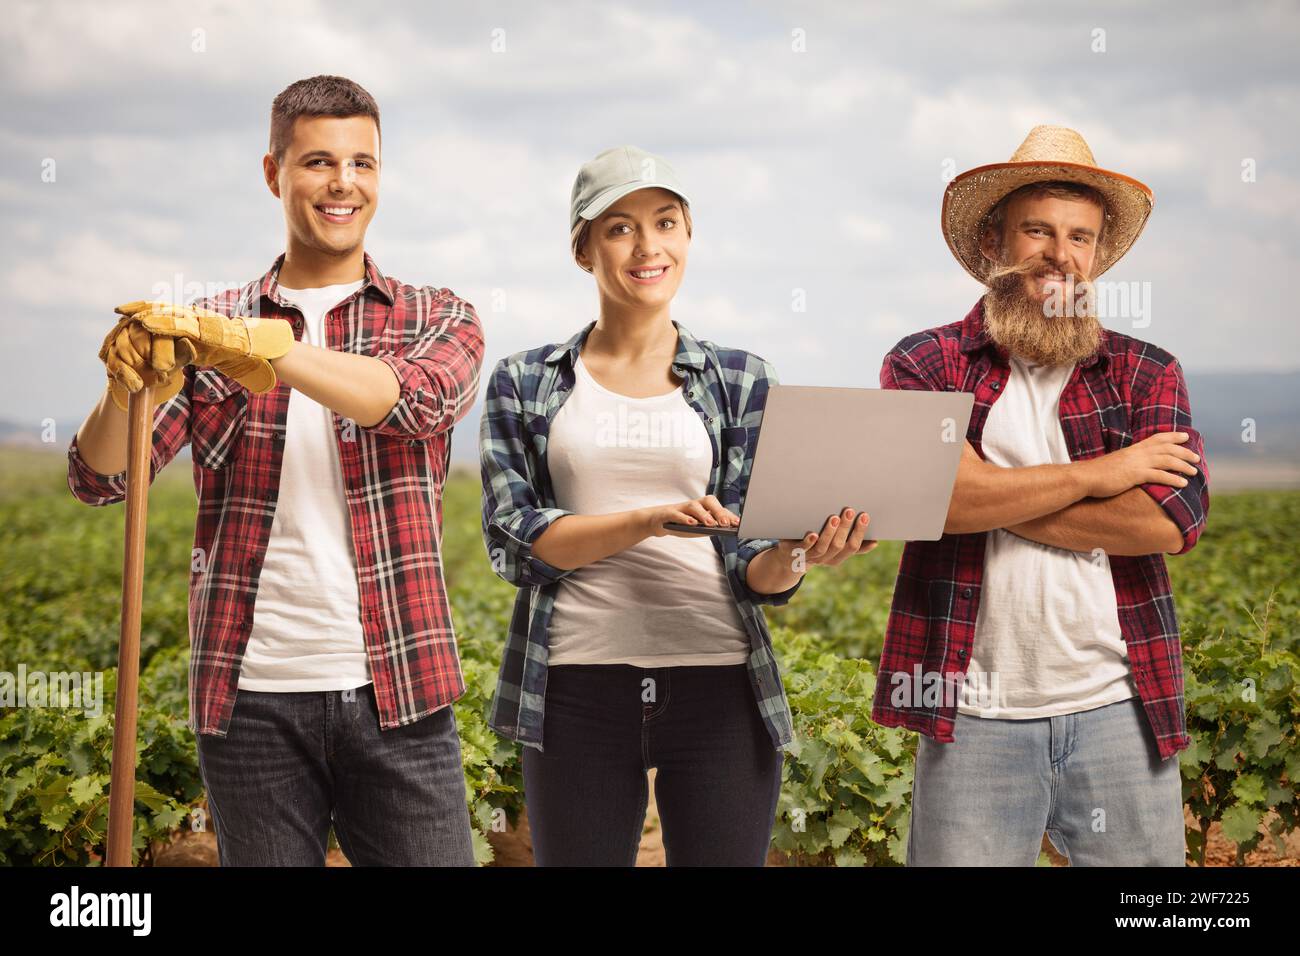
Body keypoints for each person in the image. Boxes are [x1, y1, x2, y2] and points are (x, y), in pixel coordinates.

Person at [68, 75, 484, 866]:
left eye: (363, 163)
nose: (343, 184)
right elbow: (102, 480)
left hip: (399, 689)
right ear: (274, 173)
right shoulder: (205, 331)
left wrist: (267, 348)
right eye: (319, 162)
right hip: (250, 698)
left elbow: (412, 402)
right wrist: (126, 385)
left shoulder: (437, 316)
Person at [479, 145, 878, 866]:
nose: (648, 245)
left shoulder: (742, 379)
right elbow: (518, 543)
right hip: (575, 683)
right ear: (583, 248)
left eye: (666, 223)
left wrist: (795, 554)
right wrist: (645, 521)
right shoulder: (525, 381)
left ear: (688, 238)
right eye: (620, 228)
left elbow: (757, 564)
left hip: (720, 685)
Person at [871, 125, 1210, 866]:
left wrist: (990, 492)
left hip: (1120, 706)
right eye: (1038, 230)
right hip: (969, 712)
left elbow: (1166, 522)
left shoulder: (1146, 370)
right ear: (994, 241)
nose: (1062, 255)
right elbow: (943, 504)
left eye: (1081, 238)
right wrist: (1102, 473)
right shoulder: (925, 362)